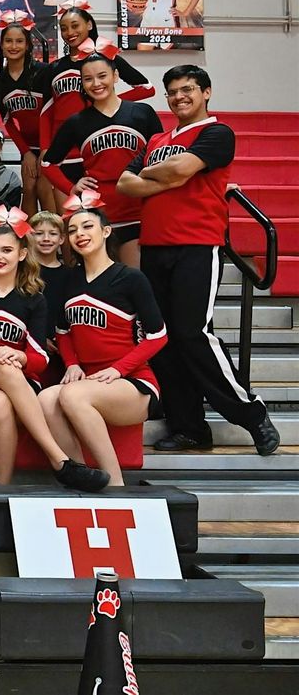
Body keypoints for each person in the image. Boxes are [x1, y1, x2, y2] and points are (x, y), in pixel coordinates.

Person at [117, 64, 280, 455]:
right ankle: (189, 428)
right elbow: (126, 183)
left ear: (206, 92)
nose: (179, 97)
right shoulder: (155, 138)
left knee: (193, 333)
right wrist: (170, 175)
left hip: (197, 245)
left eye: (188, 89)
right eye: (172, 92)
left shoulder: (217, 133)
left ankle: (251, 413)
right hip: (154, 246)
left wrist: (164, 175)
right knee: (165, 341)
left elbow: (181, 169)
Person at [0, 207, 109, 490]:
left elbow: (41, 358)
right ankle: (60, 460)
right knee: (5, 373)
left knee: (0, 399)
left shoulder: (33, 297)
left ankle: (3, 487)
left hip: (20, 384)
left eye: (7, 250)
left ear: (22, 254)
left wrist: (21, 356)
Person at [39, 204, 167, 487]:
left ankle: (115, 484)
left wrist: (119, 370)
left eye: (87, 227)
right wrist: (71, 363)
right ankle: (83, 476)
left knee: (73, 396)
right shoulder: (71, 280)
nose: (79, 234)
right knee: (46, 400)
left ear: (106, 232)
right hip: (89, 380)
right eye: (72, 230)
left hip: (134, 384)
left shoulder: (131, 278)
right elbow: (62, 331)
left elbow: (158, 336)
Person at [42, 52, 163, 267]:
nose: (96, 84)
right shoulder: (77, 122)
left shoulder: (143, 113)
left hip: (137, 211)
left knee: (133, 282)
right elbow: (48, 163)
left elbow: (160, 159)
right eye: (88, 79)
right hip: (98, 214)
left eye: (102, 76)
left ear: (115, 76)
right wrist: (71, 187)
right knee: (101, 286)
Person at [39, 1, 154, 199]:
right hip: (65, 144)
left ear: (89, 25)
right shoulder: (55, 67)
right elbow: (46, 111)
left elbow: (147, 88)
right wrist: (44, 147)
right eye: (64, 28)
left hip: (95, 142)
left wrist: (105, 102)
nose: (69, 32)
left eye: (75, 26)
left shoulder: (106, 56)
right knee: (71, 215)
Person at [0, 11, 50, 212]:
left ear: (27, 45)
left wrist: (44, 150)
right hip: (27, 146)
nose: (13, 46)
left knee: (44, 189)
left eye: (19, 41)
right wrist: (25, 152)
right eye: (8, 41)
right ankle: (28, 242)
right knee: (30, 189)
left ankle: (58, 241)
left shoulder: (42, 72)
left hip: (50, 144)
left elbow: (50, 114)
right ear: (1, 44)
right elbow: (7, 120)